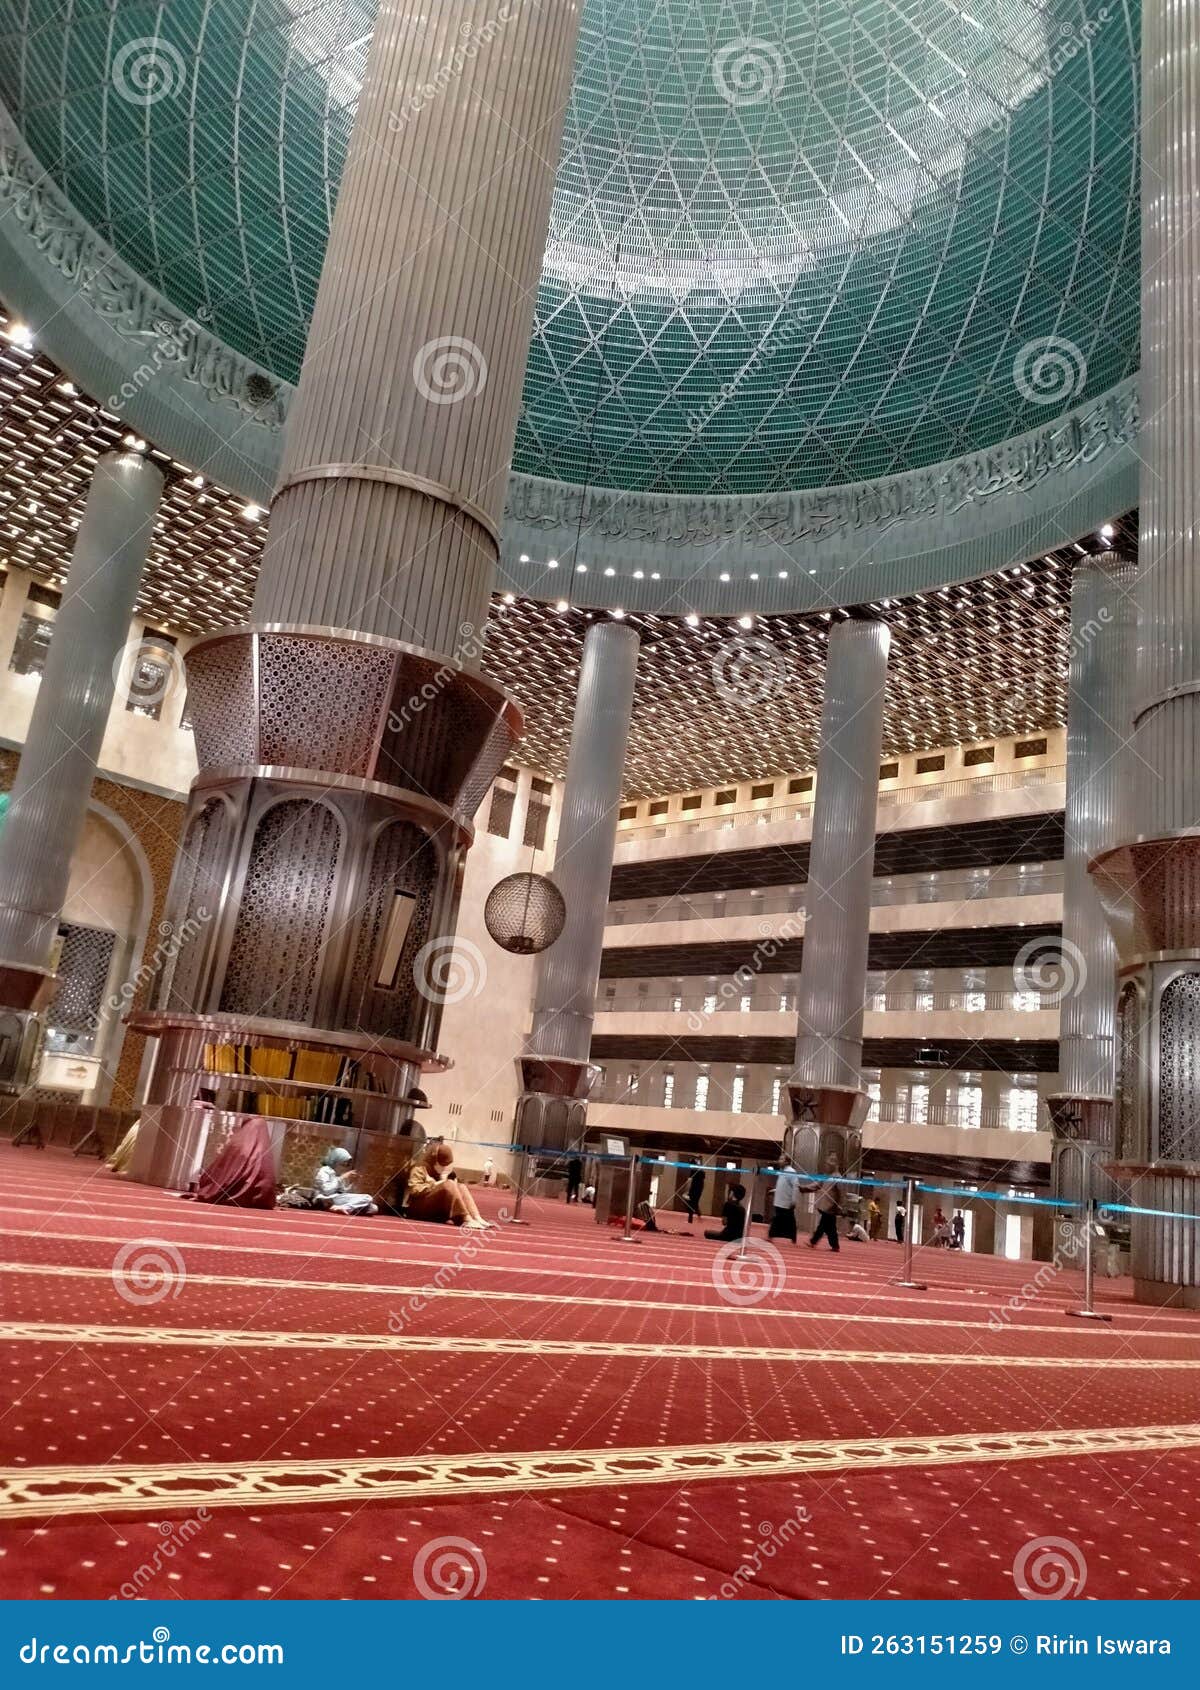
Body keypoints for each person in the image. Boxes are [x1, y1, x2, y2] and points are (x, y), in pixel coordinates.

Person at [189, 1114, 276, 1209]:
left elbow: (226, 1169)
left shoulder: (240, 1144)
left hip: (237, 1191)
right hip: (262, 1198)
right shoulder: (265, 1151)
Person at [405, 1141, 491, 1229]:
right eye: (442, 1165)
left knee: (461, 1186)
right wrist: (435, 1184)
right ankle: (466, 1219)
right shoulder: (419, 1168)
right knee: (449, 1184)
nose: (444, 1168)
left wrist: (445, 1182)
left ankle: (476, 1217)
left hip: (436, 1211)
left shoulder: (437, 1172)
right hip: (418, 1210)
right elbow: (414, 1190)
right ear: (434, 1161)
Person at [314, 1146, 377, 1216]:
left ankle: (342, 1208)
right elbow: (327, 1191)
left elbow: (343, 1192)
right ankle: (342, 1208)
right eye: (343, 1163)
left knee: (373, 1208)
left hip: (337, 1198)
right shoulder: (324, 1170)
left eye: (346, 1164)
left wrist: (353, 1183)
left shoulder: (337, 1172)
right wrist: (342, 1177)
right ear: (336, 1160)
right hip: (326, 1198)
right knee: (367, 1198)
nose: (345, 1166)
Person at [808, 1161, 843, 1252]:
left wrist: (837, 1205)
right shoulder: (827, 1176)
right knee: (828, 1227)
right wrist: (805, 1188)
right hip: (826, 1207)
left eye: (828, 1165)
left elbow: (839, 1193)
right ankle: (833, 1245)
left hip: (831, 1207)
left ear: (833, 1166)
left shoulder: (837, 1177)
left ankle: (814, 1241)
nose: (826, 1166)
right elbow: (817, 1185)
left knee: (824, 1226)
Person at [768, 1160, 801, 1242]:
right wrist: (775, 1190)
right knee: (779, 1219)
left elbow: (795, 1186)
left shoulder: (791, 1172)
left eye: (781, 1159)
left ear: (786, 1162)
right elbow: (784, 1186)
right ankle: (772, 1236)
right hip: (780, 1201)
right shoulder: (782, 1172)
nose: (779, 1161)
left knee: (788, 1221)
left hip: (786, 1202)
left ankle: (792, 1238)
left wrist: (793, 1200)